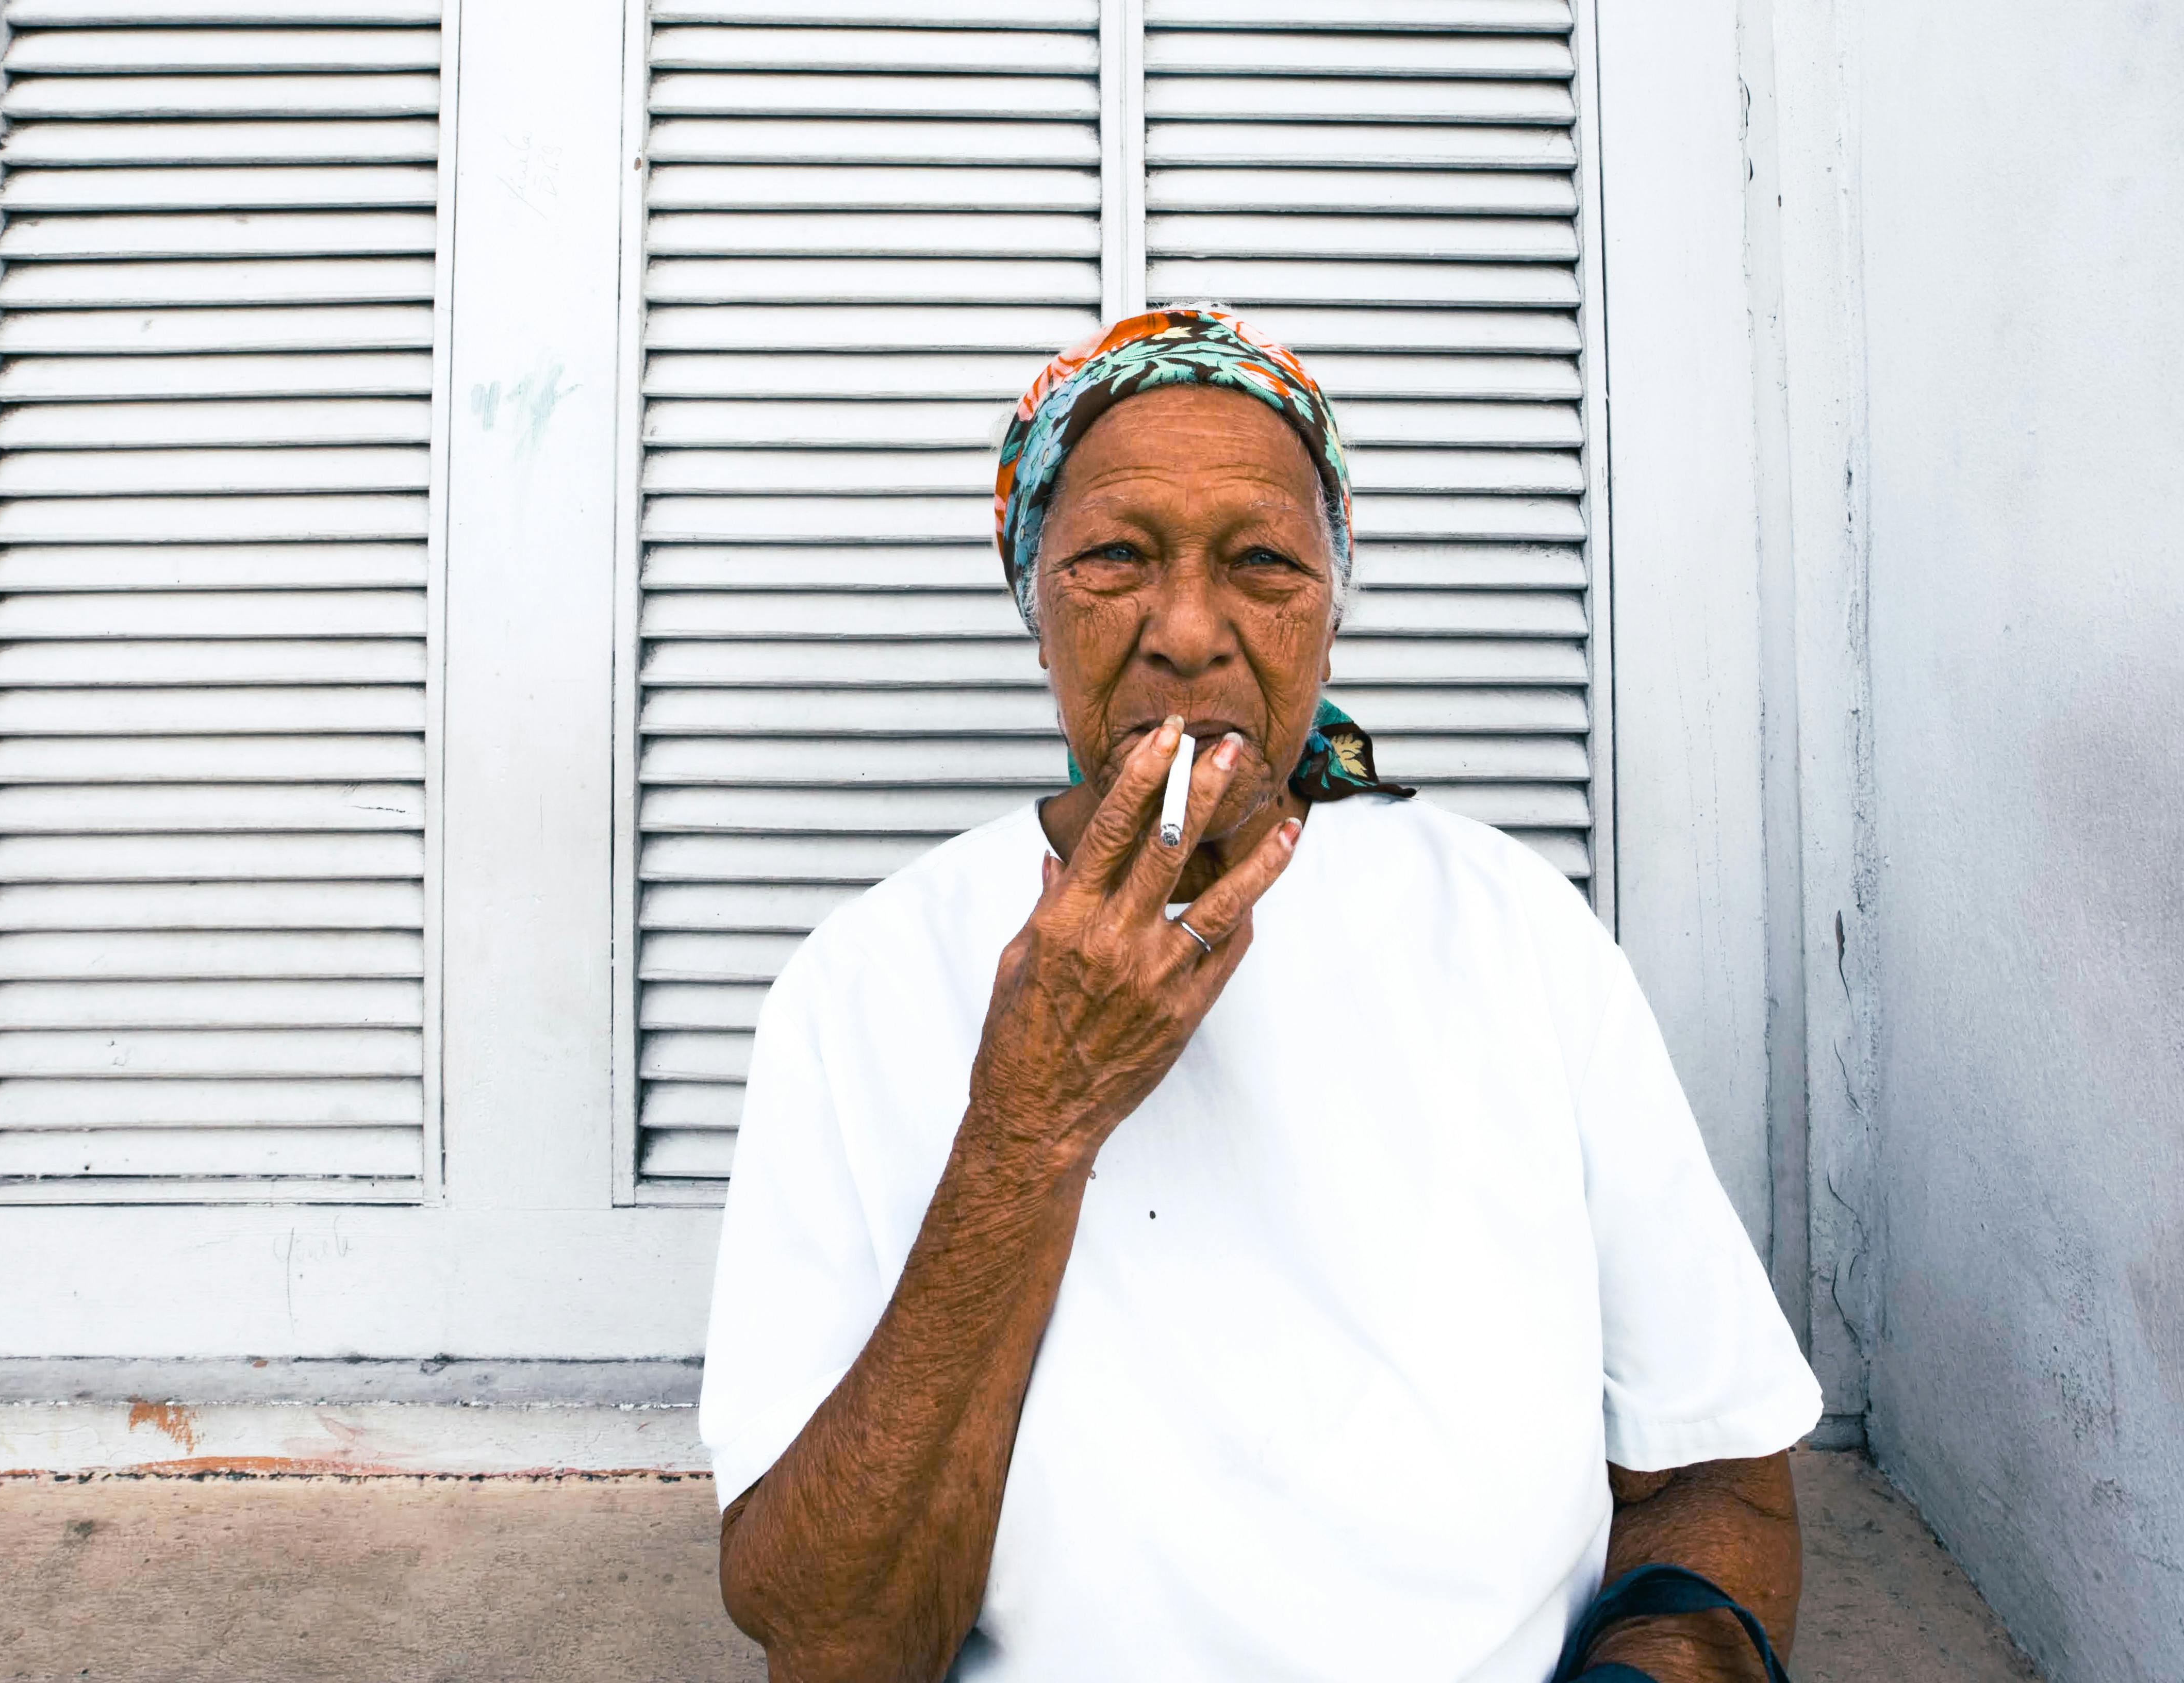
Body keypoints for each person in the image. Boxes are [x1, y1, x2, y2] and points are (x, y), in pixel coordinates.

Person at [699, 306, 1825, 1682]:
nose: (1188, 630)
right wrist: (1031, 1122)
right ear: (1035, 601)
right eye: (1117, 557)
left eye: (1262, 565)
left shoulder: (1513, 925)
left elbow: (1712, 1484)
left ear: (1332, 611)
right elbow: (838, 1635)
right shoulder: (858, 985)